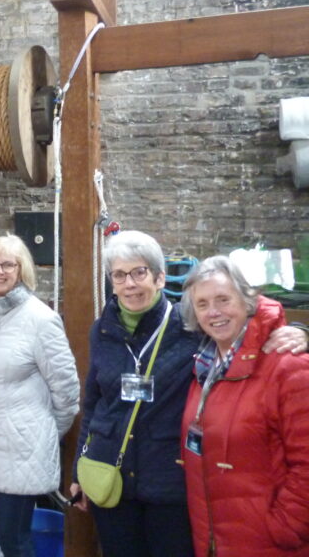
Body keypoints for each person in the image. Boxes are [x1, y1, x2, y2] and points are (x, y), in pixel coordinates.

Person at [70, 230, 307, 557]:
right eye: (120, 275)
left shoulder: (188, 325)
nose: (130, 283)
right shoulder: (103, 330)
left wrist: (296, 330)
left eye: (139, 272)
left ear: (159, 277)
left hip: (169, 484)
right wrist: (78, 468)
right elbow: (94, 404)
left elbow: (243, 319)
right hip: (112, 477)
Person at [180, 255, 309, 556]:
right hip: (214, 539)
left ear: (248, 300)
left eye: (223, 299)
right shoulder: (205, 364)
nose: (214, 312)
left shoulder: (289, 366)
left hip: (268, 543)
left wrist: (285, 527)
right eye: (202, 304)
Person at [0, 235, 79, 557]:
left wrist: (42, 433)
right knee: (5, 536)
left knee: (15, 540)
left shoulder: (41, 319)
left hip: (22, 449)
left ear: (22, 269)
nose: (0, 271)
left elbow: (67, 390)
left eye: (8, 264)